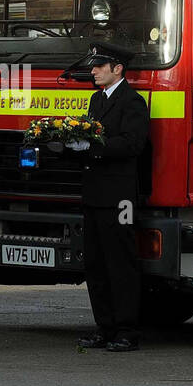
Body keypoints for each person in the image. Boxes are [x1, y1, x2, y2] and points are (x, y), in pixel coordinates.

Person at [73, 41, 150, 352]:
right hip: (95, 193)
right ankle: (104, 327)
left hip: (120, 197)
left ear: (118, 69)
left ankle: (127, 330)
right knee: (96, 263)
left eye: (100, 65)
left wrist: (93, 146)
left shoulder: (132, 102)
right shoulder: (96, 99)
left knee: (120, 262)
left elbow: (133, 144)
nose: (93, 71)